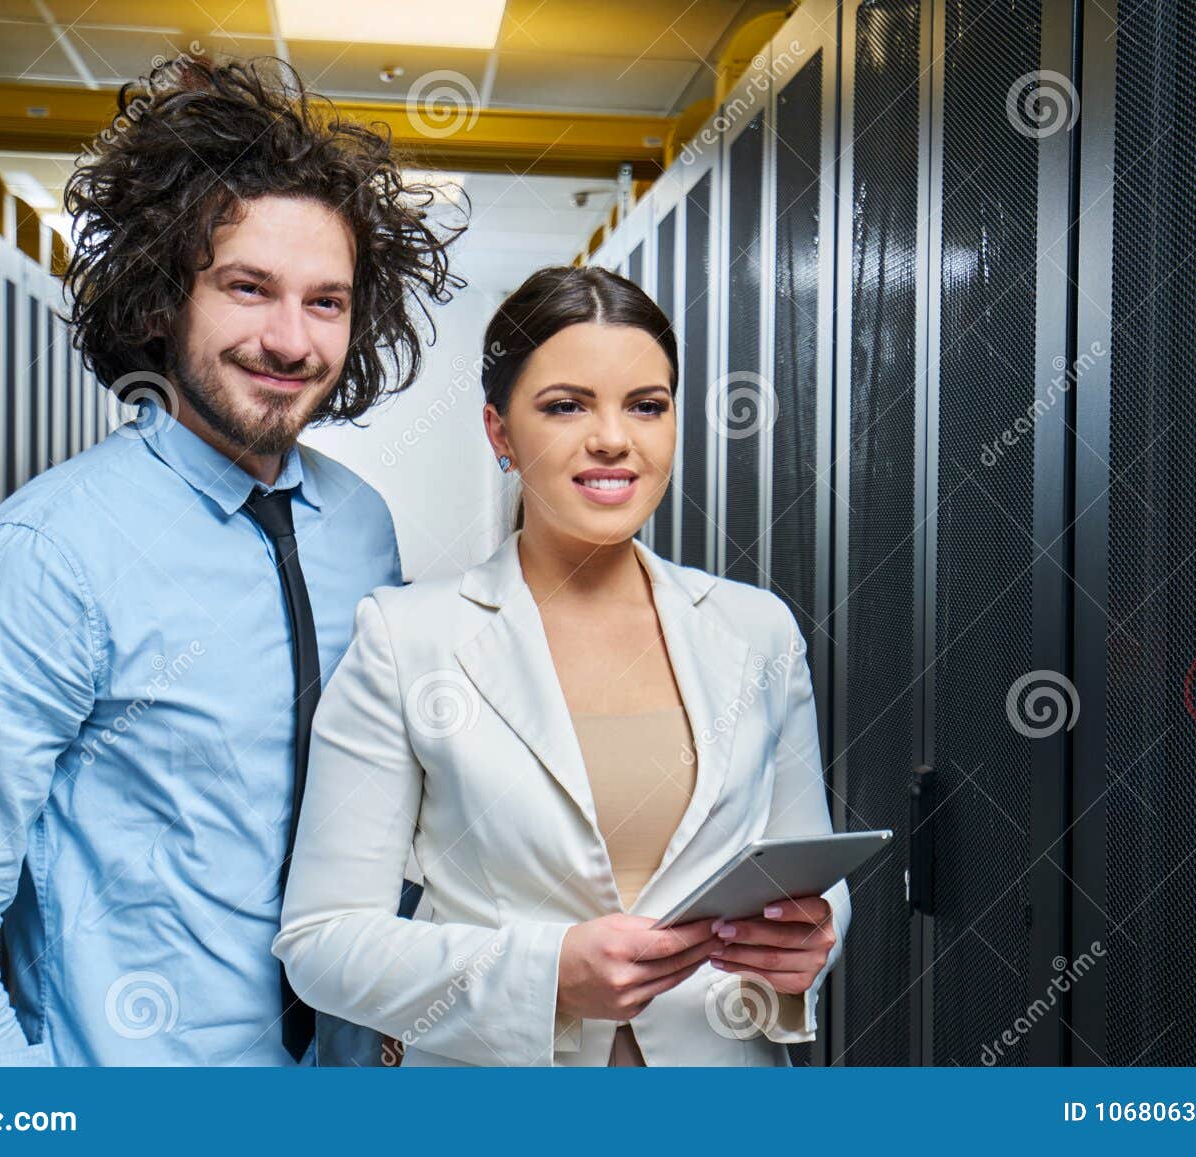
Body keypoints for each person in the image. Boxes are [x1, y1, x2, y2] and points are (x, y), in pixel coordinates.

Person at [0, 55, 459, 1066]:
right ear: (160, 300)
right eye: (246, 287)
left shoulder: (361, 526)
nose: (288, 338)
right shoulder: (47, 559)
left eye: (325, 301)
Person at [273, 265, 850, 1066]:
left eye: (646, 406)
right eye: (566, 405)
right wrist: (547, 976)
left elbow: (806, 867)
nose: (613, 436)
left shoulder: (757, 630)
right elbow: (322, 942)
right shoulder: (408, 638)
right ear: (499, 432)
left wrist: (809, 940)